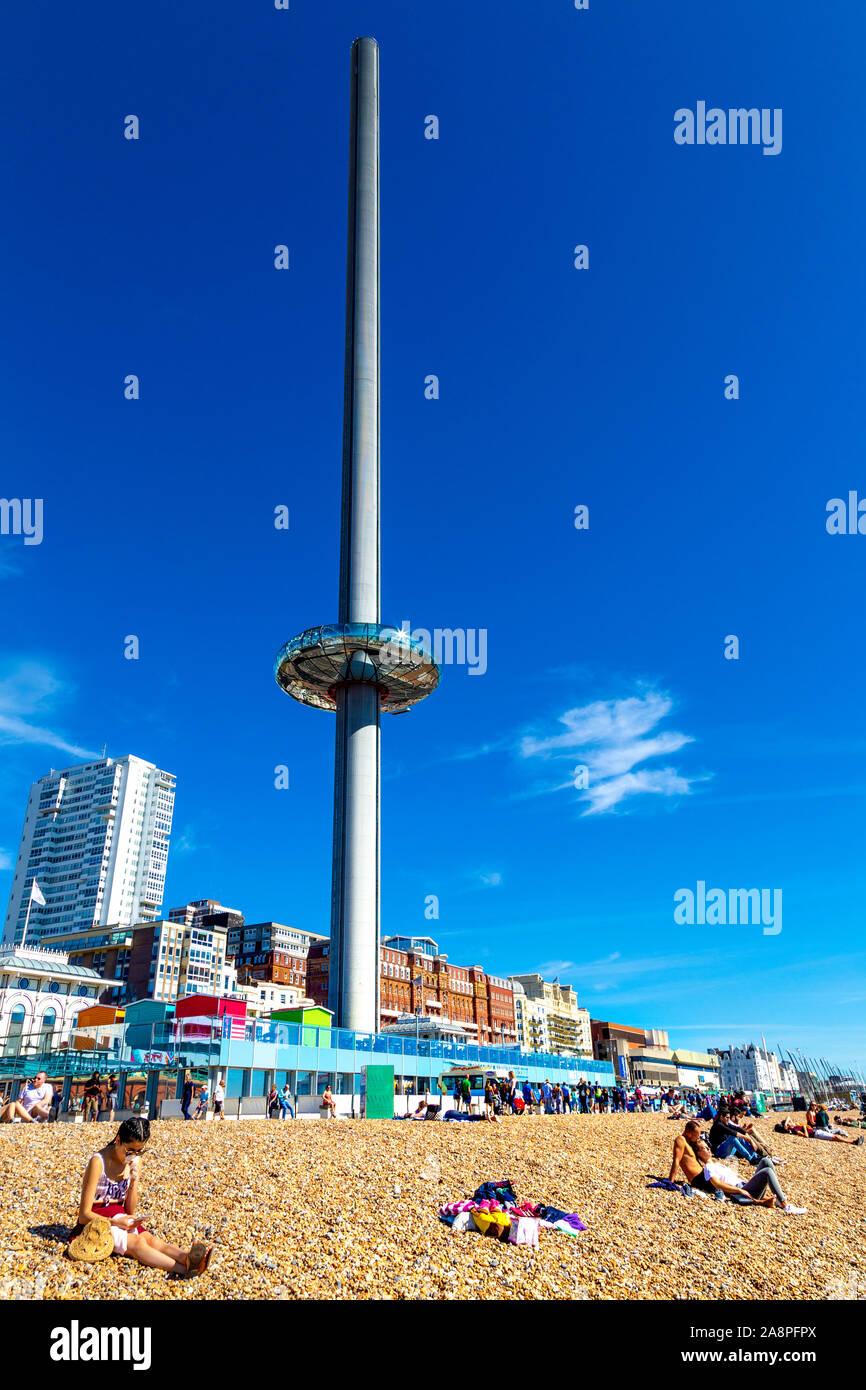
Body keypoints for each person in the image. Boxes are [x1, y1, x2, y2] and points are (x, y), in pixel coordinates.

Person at [68, 1117, 213, 1274]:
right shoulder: (98, 1162)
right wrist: (115, 1222)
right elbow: (83, 1215)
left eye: (140, 1151)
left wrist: (133, 1181)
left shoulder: (135, 1160)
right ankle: (184, 1270)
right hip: (97, 1222)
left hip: (120, 1216)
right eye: (130, 1151)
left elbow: (130, 1209)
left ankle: (186, 1258)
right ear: (118, 1140)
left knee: (152, 1240)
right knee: (137, 1243)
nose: (134, 1155)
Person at [669, 1122, 805, 1212]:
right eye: (697, 1135)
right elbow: (677, 1160)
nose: (699, 1138)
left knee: (766, 1162)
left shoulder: (712, 1162)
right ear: (688, 1133)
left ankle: (778, 1196)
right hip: (742, 1189)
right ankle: (785, 1205)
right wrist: (670, 1182)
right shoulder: (682, 1141)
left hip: (745, 1185)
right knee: (768, 1170)